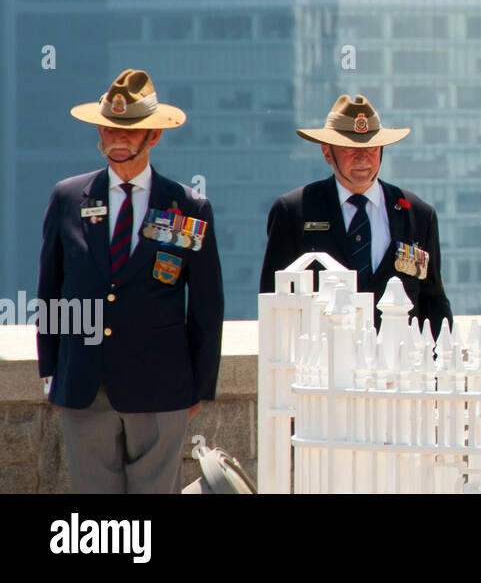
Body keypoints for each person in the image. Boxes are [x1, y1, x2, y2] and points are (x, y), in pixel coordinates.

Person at [37, 69, 224, 493]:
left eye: (129, 129)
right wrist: (52, 368)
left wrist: (199, 385)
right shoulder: (68, 196)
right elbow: (52, 287)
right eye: (108, 127)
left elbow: (208, 305)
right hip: (83, 385)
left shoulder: (189, 206)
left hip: (161, 388)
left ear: (153, 136)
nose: (116, 137)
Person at [259, 94, 452, 334]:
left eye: (370, 147)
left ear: (381, 150)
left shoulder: (417, 214)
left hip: (396, 364)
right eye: (349, 148)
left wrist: (435, 367)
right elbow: (273, 302)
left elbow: (433, 301)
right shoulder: (294, 212)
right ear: (327, 153)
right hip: (322, 363)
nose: (362, 157)